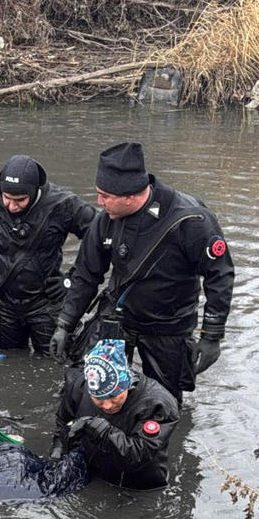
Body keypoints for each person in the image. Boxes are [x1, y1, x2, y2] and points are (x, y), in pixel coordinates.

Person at [48, 141, 234, 402]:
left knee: (163, 402)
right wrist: (64, 324)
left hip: (169, 324)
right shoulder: (105, 221)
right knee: (96, 392)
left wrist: (212, 336)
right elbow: (86, 275)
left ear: (129, 196)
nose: (99, 202)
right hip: (120, 316)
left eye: (105, 196)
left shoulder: (191, 221)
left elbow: (220, 276)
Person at [0, 154, 95, 355]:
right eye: (6, 197)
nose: (11, 205)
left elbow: (98, 235)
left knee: (54, 362)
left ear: (35, 192)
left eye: (19, 200)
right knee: (4, 361)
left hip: (46, 303)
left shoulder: (63, 205)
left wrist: (72, 280)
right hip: (2, 302)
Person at [50, 339, 179, 489]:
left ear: (127, 383)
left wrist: (100, 429)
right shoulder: (78, 386)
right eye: (98, 398)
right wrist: (58, 450)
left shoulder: (158, 404)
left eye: (113, 397)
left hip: (138, 485)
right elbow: (63, 421)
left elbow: (140, 454)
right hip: (93, 473)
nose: (107, 406)